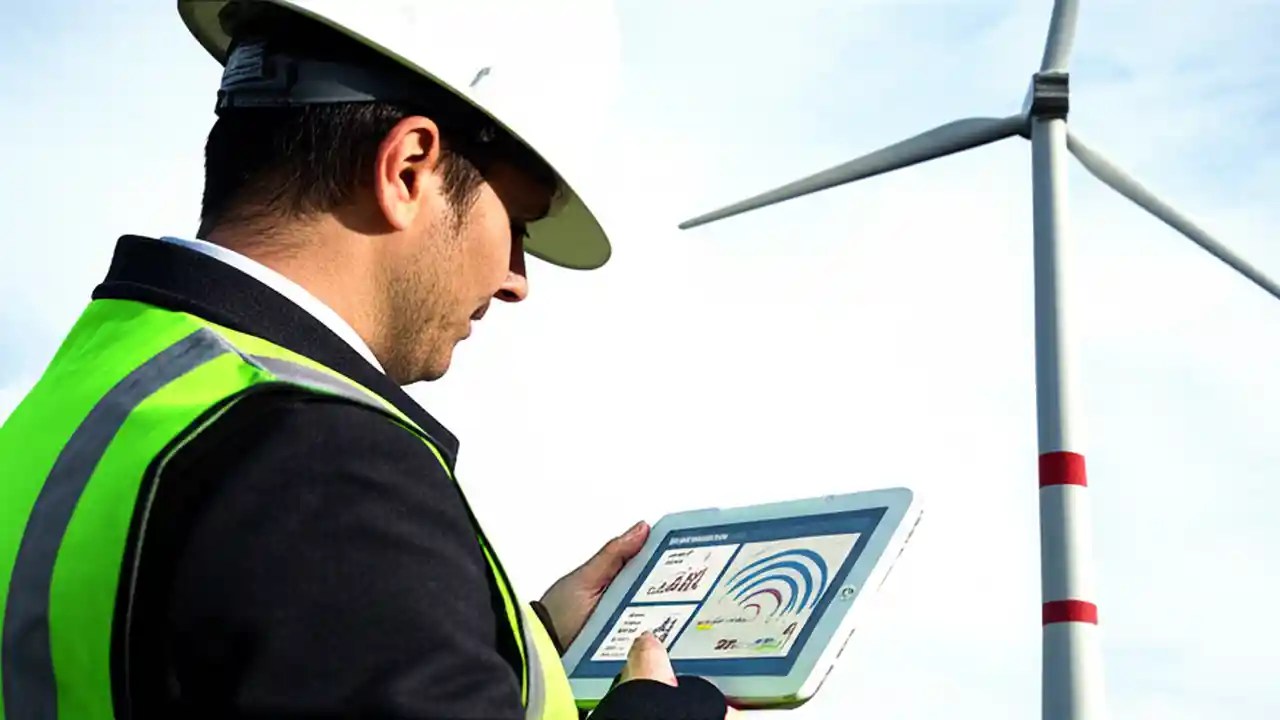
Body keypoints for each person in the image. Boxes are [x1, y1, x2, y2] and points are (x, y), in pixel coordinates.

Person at [0, 1, 743, 718]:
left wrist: (522, 638)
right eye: (515, 222)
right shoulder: (321, 466)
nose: (518, 278)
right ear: (409, 168)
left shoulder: (101, 390)